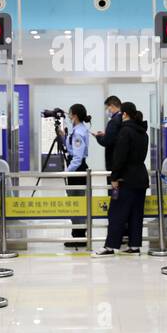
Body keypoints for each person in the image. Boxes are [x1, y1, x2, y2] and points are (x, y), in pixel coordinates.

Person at [97, 101, 149, 255]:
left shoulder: (125, 132)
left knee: (116, 213)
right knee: (136, 214)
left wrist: (115, 176)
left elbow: (120, 157)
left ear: (125, 114)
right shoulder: (143, 132)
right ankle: (134, 245)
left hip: (126, 179)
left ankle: (110, 246)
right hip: (141, 177)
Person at [63, 103, 92, 248]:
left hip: (77, 171)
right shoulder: (78, 130)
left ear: (74, 115)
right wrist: (63, 137)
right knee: (75, 203)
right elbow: (71, 149)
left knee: (77, 203)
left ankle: (79, 236)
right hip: (76, 169)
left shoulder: (79, 132)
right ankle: (77, 234)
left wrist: (67, 172)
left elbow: (77, 157)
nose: (68, 116)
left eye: (69, 113)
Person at [93, 95, 123, 168]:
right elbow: (116, 136)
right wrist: (106, 134)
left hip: (113, 159)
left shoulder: (114, 121)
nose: (107, 111)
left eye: (107, 108)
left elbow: (107, 141)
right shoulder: (123, 117)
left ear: (112, 106)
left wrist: (98, 137)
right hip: (121, 157)